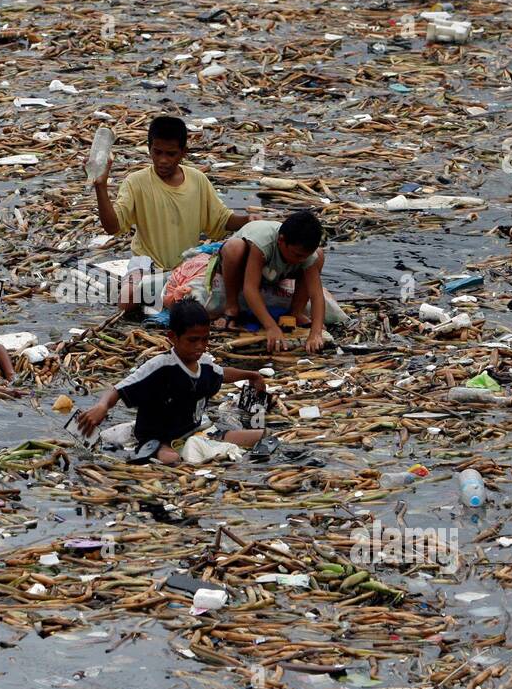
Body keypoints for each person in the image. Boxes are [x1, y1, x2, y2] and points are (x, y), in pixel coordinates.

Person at [74, 299, 274, 464]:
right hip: (158, 439)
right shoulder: (160, 367)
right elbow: (118, 389)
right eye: (192, 340)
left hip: (196, 431)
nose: (200, 347)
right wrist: (101, 407)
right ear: (173, 337)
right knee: (173, 461)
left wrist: (252, 375)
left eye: (205, 340)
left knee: (264, 436)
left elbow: (222, 374)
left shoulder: (204, 364)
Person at [91, 116, 254, 314]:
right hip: (147, 264)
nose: (163, 160)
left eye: (171, 154)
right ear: (149, 148)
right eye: (157, 152)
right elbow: (112, 226)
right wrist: (100, 187)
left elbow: (221, 219)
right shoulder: (136, 182)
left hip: (186, 266)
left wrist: (247, 221)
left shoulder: (197, 181)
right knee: (127, 302)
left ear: (183, 152)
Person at [212, 210, 341, 354]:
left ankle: (296, 311)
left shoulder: (304, 255)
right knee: (234, 248)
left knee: (318, 256)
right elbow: (250, 288)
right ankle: (232, 307)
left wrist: (315, 333)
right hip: (244, 267)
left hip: (274, 273)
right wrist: (271, 327)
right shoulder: (263, 242)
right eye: (297, 255)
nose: (300, 260)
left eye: (304, 256)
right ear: (281, 241)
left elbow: (316, 295)